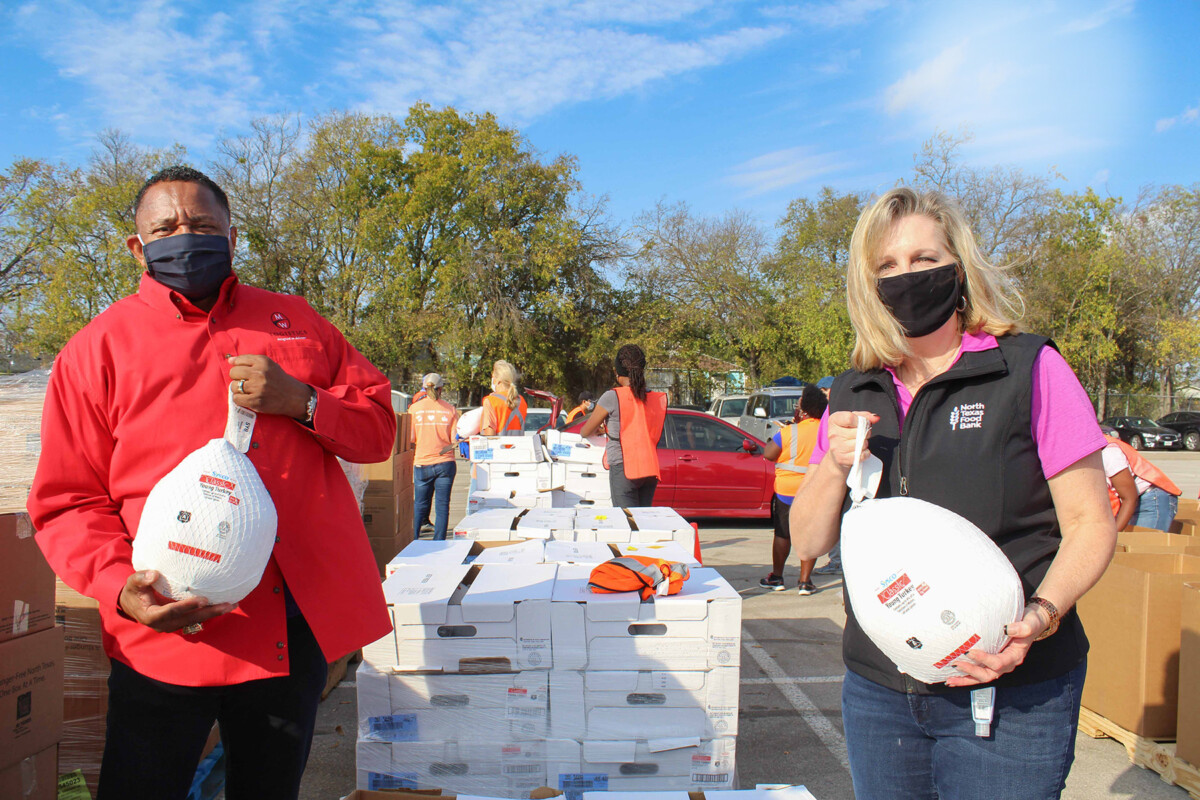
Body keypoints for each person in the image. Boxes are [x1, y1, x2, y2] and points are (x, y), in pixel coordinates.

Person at [26, 166, 396, 800]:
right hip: (164, 629)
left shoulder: (296, 323)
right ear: (137, 248)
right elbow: (67, 501)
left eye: (200, 225)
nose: (184, 237)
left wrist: (303, 400)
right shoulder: (97, 350)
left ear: (230, 237)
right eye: (165, 228)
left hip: (287, 626)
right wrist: (121, 588)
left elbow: (376, 432)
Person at [791, 187, 1116, 800]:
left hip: (1013, 692)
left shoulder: (1028, 368)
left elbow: (1091, 524)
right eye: (886, 266)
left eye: (923, 259)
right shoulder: (854, 387)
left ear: (958, 266)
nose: (905, 278)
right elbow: (808, 539)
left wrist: (1039, 620)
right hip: (881, 692)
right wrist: (833, 467)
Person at [760, 385, 827, 595]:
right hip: (815, 490)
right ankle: (805, 582)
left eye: (798, 404)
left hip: (786, 493)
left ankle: (777, 577)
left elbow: (769, 454)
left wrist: (783, 432)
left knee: (782, 534)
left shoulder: (789, 431)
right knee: (810, 535)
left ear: (804, 410)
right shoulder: (826, 431)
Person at [580, 344, 667, 507]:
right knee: (642, 521)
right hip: (650, 467)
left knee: (626, 523)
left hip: (624, 466)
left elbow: (585, 431)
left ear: (617, 372)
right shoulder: (655, 397)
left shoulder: (612, 396)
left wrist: (601, 429)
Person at [410, 373, 459, 540]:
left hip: (422, 462)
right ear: (441, 389)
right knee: (442, 506)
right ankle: (439, 542)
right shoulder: (450, 409)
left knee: (420, 505)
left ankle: (414, 539)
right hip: (445, 463)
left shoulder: (414, 409)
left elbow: (411, 438)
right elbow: (454, 441)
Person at [1102, 433, 1181, 531]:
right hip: (1130, 501)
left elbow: (1130, 498)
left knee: (1143, 543)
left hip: (1151, 499)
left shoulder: (1108, 453)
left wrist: (1114, 535)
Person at [480, 359, 527, 436]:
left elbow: (490, 435)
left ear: (498, 381)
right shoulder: (521, 401)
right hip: (518, 447)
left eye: (493, 377)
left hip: (498, 447)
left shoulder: (491, 401)